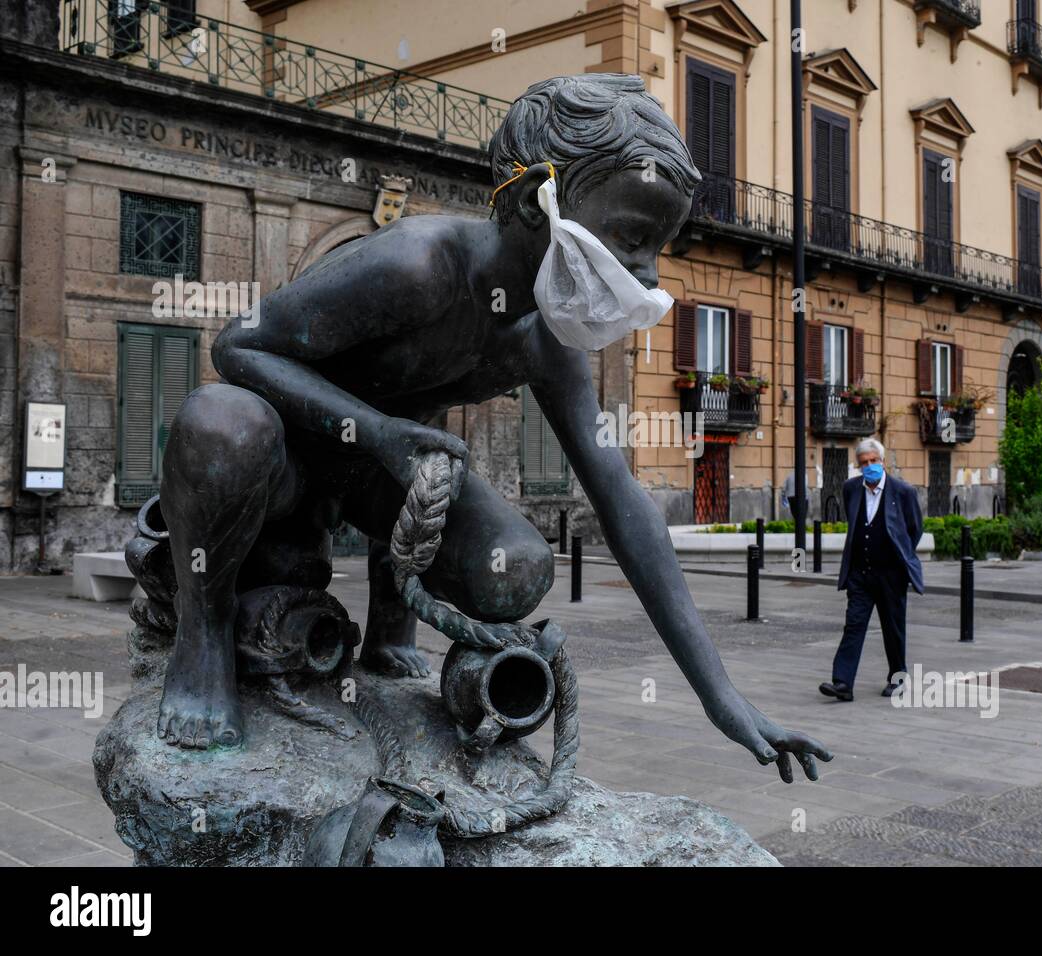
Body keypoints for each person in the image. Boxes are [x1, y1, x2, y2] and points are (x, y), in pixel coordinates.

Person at [156, 74, 830, 783]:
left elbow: (620, 497)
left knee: (518, 570)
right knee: (221, 421)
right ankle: (202, 634)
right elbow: (238, 346)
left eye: (656, 246)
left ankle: (392, 631)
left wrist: (722, 699)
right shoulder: (418, 262)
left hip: (379, 479)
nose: (645, 269)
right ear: (544, 200)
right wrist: (376, 431)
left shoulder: (545, 338)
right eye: (633, 236)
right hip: (292, 458)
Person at [819, 438, 924, 701]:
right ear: (858, 465)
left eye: (873, 461)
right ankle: (842, 683)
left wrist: (900, 554)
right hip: (860, 574)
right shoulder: (851, 488)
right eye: (864, 463)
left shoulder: (903, 492)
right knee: (853, 625)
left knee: (893, 628)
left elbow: (914, 529)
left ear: (882, 461)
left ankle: (897, 678)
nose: (869, 466)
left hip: (891, 574)